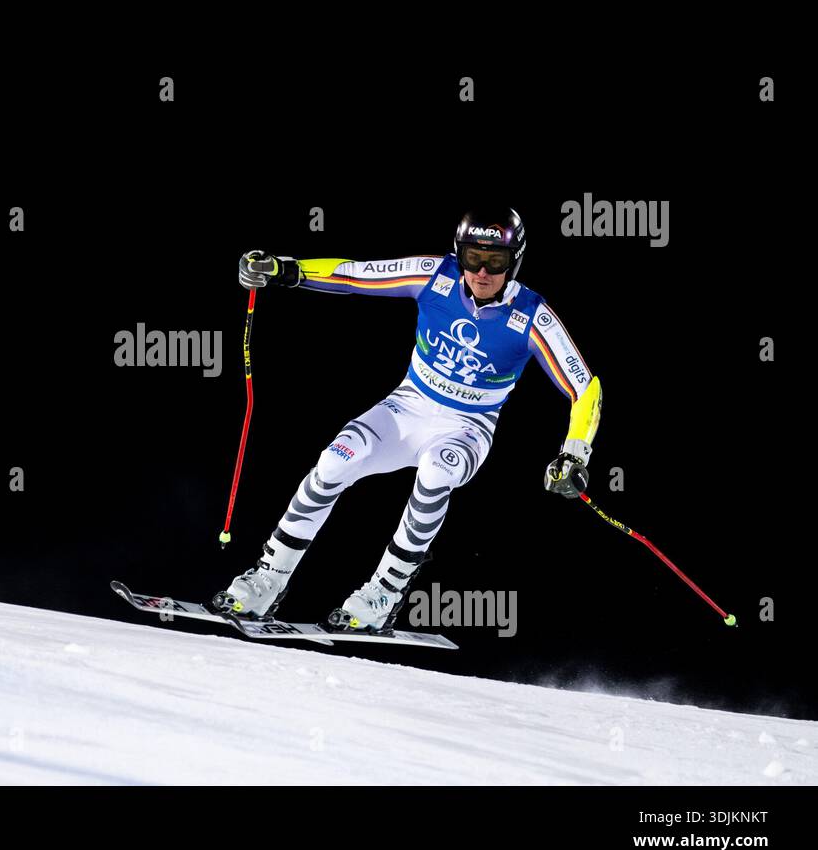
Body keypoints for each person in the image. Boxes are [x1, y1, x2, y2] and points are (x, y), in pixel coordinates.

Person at [214, 208, 601, 633]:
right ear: (459, 254)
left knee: (438, 472)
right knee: (334, 462)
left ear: (516, 260)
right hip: (407, 407)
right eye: (473, 257)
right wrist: (286, 269)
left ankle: (382, 594)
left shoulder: (532, 315)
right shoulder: (434, 275)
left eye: (496, 261)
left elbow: (586, 389)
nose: (483, 272)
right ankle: (268, 579)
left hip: (467, 427)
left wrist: (575, 452)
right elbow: (354, 275)